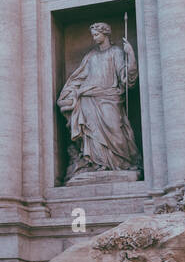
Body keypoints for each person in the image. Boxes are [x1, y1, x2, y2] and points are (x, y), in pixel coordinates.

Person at [57, 22, 140, 174]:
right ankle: (97, 164)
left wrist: (131, 56)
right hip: (88, 98)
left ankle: (122, 163)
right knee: (93, 134)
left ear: (105, 34)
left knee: (115, 130)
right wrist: (70, 93)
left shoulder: (116, 52)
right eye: (93, 35)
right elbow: (78, 77)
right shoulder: (91, 56)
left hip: (110, 97)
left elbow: (126, 78)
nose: (94, 38)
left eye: (96, 35)